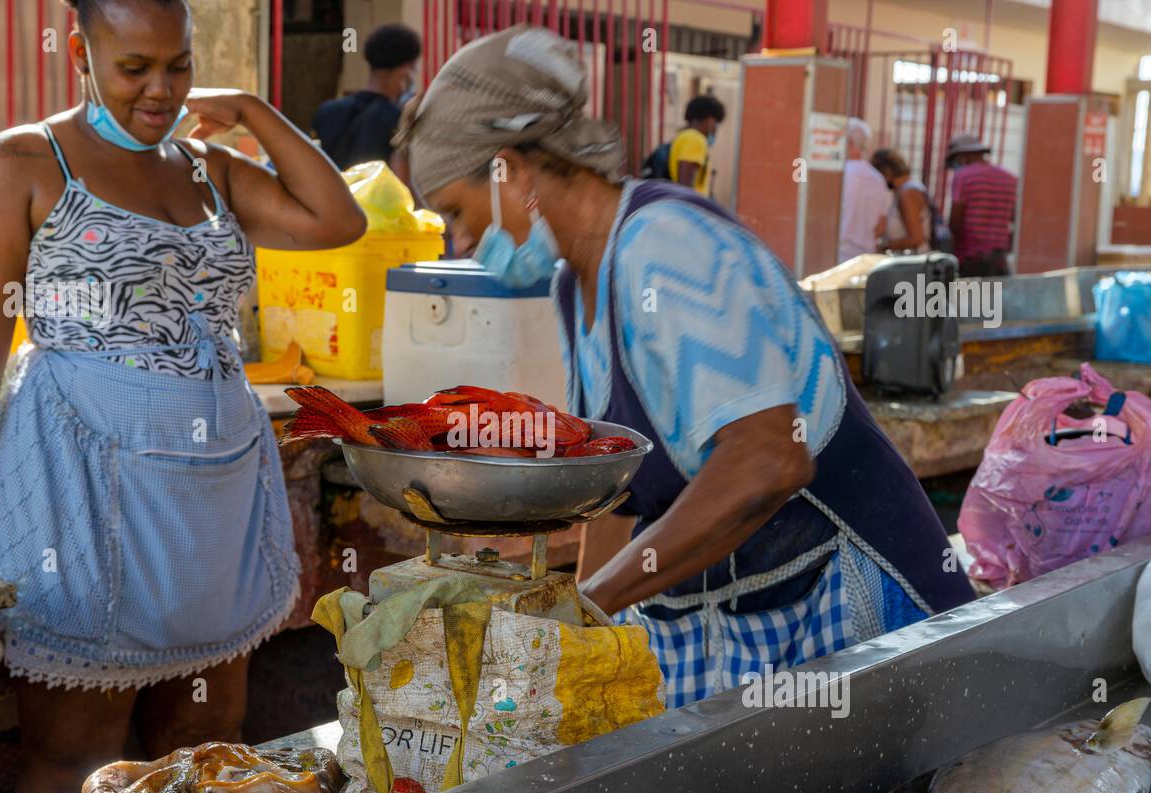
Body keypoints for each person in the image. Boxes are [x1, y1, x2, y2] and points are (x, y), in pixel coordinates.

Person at [394, 26, 974, 709]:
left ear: (509, 171)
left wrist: (594, 602)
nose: (461, 241)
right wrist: (582, 635)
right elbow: (617, 497)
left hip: (847, 612)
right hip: (741, 625)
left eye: (457, 214)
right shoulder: (573, 283)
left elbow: (768, 461)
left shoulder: (665, 245)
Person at [0, 0, 365, 793]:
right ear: (80, 53)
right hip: (78, 488)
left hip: (212, 487)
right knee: (73, 757)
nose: (160, 90)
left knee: (204, 742)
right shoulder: (22, 164)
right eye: (134, 69)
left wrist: (259, 114)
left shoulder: (209, 169)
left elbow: (338, 220)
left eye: (179, 66)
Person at [312, 24, 421, 183]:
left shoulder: (327, 111)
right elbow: (403, 186)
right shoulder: (397, 120)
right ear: (404, 70)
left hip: (327, 203)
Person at [946, 132, 1017, 277]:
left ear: (962, 156)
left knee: (972, 299)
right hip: (1000, 256)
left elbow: (955, 222)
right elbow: (1015, 217)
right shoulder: (1010, 178)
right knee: (996, 298)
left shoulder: (963, 176)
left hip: (971, 256)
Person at [837, 117, 890, 263]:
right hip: (865, 259)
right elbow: (881, 226)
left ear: (849, 142)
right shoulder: (878, 179)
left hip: (838, 256)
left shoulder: (838, 176)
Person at [870, 148, 931, 254]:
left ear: (885, 173)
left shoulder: (908, 193)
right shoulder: (905, 190)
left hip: (915, 265)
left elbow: (916, 239)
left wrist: (884, 246)